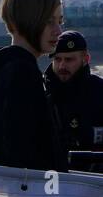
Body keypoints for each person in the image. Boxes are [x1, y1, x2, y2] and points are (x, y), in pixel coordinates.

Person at [0, 0, 68, 172]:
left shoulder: (5, 67)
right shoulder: (21, 73)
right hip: (32, 192)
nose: (59, 31)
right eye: (49, 21)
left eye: (60, 21)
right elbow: (25, 149)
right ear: (27, 22)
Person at [43, 30, 103, 171]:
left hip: (93, 180)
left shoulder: (99, 93)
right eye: (57, 59)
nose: (62, 66)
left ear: (85, 59)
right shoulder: (44, 96)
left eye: (69, 60)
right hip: (52, 178)